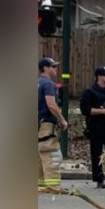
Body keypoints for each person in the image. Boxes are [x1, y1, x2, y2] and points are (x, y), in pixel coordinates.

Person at [80, 66, 105, 194]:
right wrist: (103, 111)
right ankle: (99, 179)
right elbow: (85, 110)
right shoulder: (90, 92)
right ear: (99, 76)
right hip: (96, 124)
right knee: (97, 152)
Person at [37, 57, 67, 188]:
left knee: (38, 155)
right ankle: (53, 186)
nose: (56, 69)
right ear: (45, 68)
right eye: (53, 66)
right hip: (46, 124)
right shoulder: (48, 84)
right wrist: (62, 120)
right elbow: (51, 105)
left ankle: (41, 184)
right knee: (51, 153)